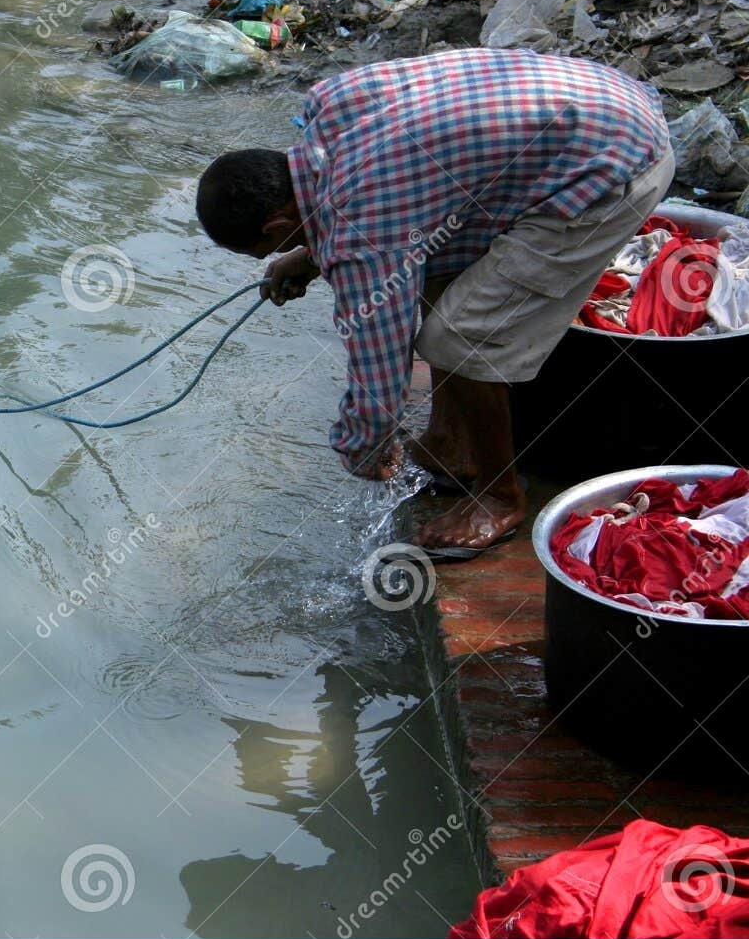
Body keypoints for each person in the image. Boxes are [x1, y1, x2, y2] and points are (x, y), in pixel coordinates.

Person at [195, 49, 674, 558]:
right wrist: (310, 255)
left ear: (275, 226)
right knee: (437, 265)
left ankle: (499, 497)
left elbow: (379, 367)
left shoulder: (361, 232)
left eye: (269, 247)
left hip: (616, 167)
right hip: (605, 100)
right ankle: (451, 443)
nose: (275, 253)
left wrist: (364, 444)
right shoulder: (327, 110)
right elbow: (391, 208)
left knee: (459, 337)